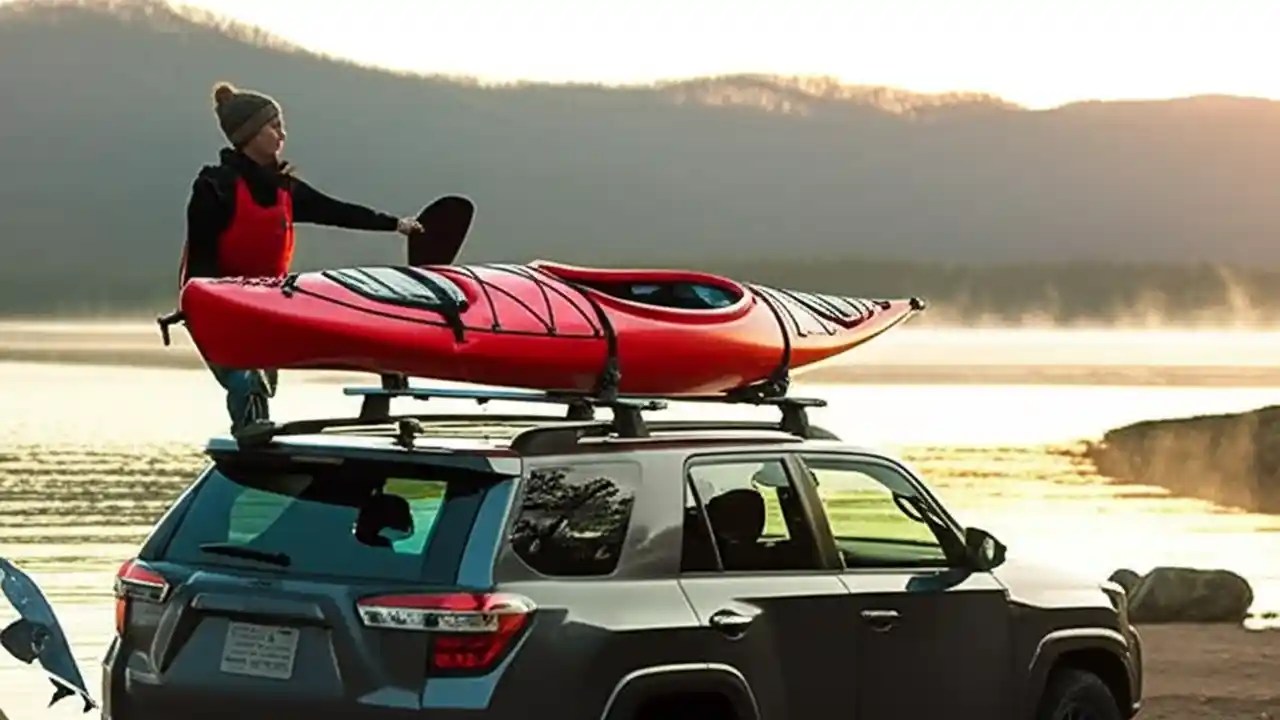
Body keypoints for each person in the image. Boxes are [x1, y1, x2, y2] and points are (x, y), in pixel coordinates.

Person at [181, 81, 423, 434]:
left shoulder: (284, 189)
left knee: (270, 377)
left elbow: (336, 211)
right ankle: (250, 434)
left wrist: (396, 225)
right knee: (247, 381)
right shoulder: (214, 188)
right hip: (216, 308)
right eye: (273, 126)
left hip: (267, 304)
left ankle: (387, 377)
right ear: (249, 134)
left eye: (281, 125)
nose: (283, 133)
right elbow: (201, 263)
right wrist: (205, 312)